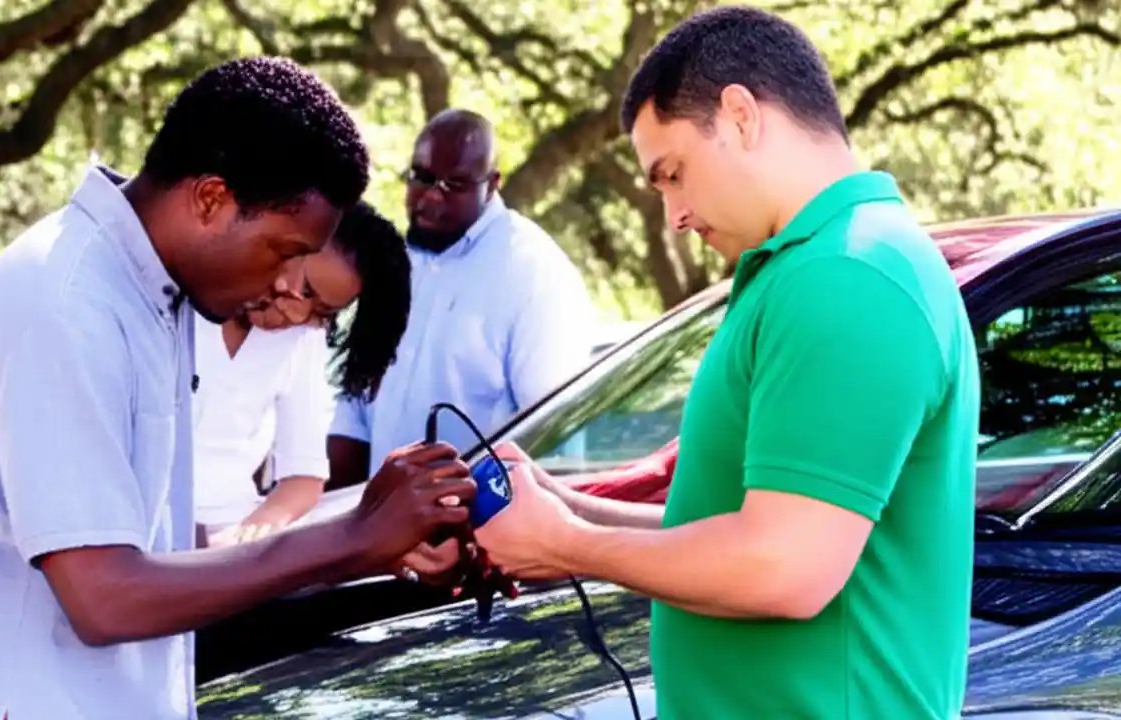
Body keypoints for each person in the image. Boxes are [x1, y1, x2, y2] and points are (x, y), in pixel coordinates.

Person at [0, 57, 474, 720]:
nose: (290, 285)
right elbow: (104, 596)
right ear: (210, 199)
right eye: (286, 250)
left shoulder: (152, 289)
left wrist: (371, 534)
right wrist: (351, 540)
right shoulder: (66, 305)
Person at [475, 6, 980, 719]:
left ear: (741, 115)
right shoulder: (808, 268)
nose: (673, 216)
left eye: (673, 174)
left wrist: (569, 546)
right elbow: (744, 526)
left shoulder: (848, 275)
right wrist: (571, 510)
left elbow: (783, 567)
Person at [327, 109, 596, 489]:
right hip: (374, 522)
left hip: (475, 529)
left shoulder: (532, 272)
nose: (433, 196)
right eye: (421, 177)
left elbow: (551, 433)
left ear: (493, 183)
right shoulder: (396, 261)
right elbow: (354, 401)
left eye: (456, 184)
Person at [193, 201, 411, 546]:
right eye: (306, 288)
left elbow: (304, 476)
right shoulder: (186, 298)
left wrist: (252, 532)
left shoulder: (301, 338)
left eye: (321, 311)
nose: (295, 314)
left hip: (229, 540)